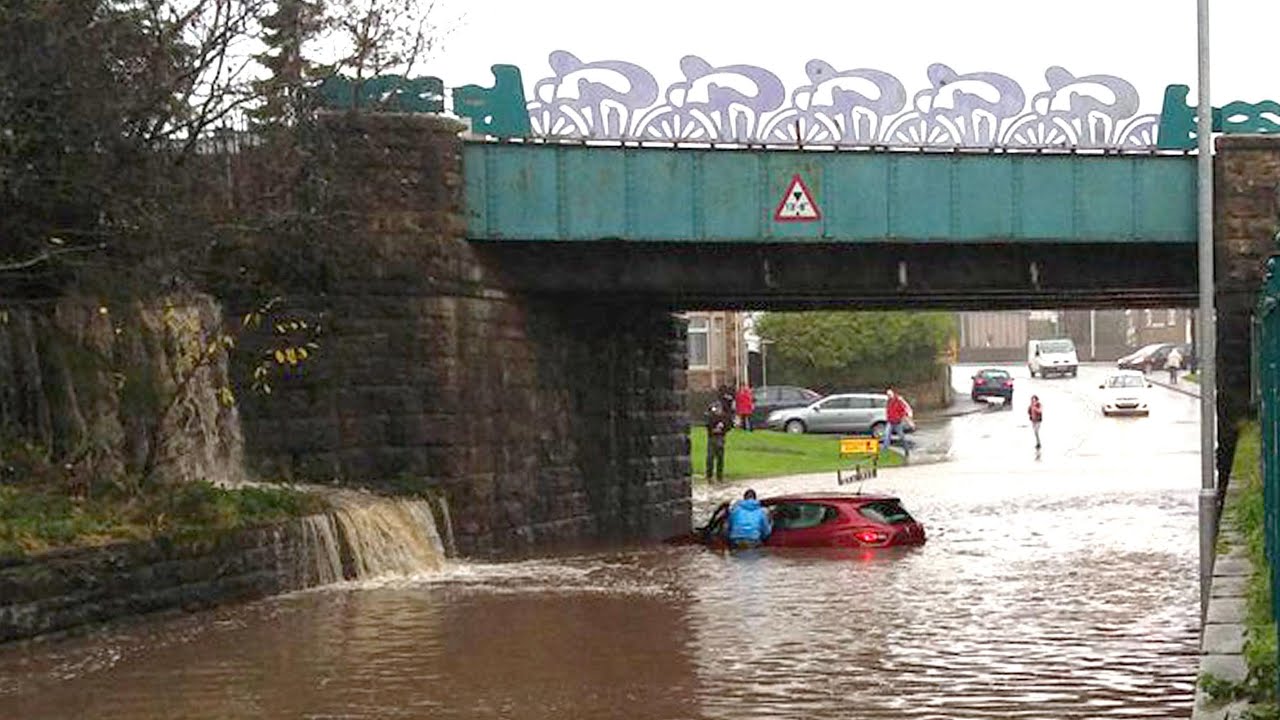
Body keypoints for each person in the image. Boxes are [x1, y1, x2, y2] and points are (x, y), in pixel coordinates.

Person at [704, 399, 733, 481]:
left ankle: (719, 476)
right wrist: (714, 428)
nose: (717, 410)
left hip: (721, 438)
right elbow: (708, 425)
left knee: (720, 457)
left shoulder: (724, 416)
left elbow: (729, 425)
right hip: (712, 438)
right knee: (710, 457)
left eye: (718, 408)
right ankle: (709, 475)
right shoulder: (710, 416)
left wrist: (723, 427)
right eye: (716, 408)